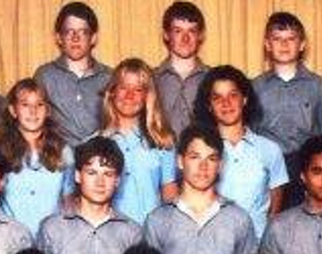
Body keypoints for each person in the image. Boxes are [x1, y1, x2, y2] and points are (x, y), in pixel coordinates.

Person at [145, 124, 258, 254]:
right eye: (195, 157)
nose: (203, 166)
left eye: (212, 158)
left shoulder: (239, 219)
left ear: (221, 165)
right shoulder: (158, 220)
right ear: (180, 161)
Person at [252, 11, 322, 209]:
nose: (284, 44)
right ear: (267, 45)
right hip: (268, 169)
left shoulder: (317, 86)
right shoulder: (255, 87)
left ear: (302, 45)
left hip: (305, 168)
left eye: (291, 39)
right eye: (277, 39)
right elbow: (250, 133)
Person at [194, 65, 288, 239]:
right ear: (209, 105)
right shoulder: (200, 151)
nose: (226, 103)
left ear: (244, 99)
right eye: (217, 98)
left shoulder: (270, 150)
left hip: (257, 247)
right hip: (214, 243)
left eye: (233, 95)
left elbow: (274, 212)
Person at [97, 57, 179, 223]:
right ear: (112, 91)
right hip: (110, 237)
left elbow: (169, 194)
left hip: (150, 236)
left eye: (138, 90)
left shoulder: (163, 143)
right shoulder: (95, 143)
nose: (129, 95)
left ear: (148, 96)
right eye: (123, 87)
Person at [0, 78, 75, 232]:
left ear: (48, 110)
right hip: (10, 238)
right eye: (25, 105)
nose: (33, 111)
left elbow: (68, 200)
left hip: (51, 239)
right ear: (13, 110)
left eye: (39, 104)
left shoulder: (63, 151)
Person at [34, 2, 112, 146]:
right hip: (58, 160)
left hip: (98, 159)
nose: (75, 38)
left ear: (93, 38)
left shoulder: (109, 77)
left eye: (83, 32)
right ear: (58, 37)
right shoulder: (45, 75)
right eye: (69, 31)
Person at [153, 1, 210, 138]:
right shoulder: (150, 79)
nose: (185, 38)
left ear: (200, 35)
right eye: (178, 31)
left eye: (192, 31)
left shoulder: (213, 79)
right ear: (166, 35)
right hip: (159, 156)